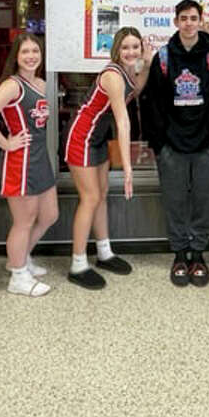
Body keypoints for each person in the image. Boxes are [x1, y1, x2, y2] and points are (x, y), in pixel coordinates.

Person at [143, 0, 209, 287]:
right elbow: (153, 103)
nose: (189, 23)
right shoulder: (164, 57)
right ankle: (180, 253)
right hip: (171, 145)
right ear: (176, 21)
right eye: (184, 18)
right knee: (175, 200)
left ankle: (199, 252)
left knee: (204, 200)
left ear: (201, 20)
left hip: (206, 144)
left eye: (194, 18)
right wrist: (159, 143)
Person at [63, 27, 150, 289]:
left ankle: (104, 253)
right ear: (116, 49)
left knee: (100, 196)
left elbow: (135, 90)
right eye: (126, 47)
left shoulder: (128, 72)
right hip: (81, 137)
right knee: (89, 198)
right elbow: (123, 122)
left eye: (135, 47)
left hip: (97, 137)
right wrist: (127, 168)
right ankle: (77, 265)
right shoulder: (113, 75)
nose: (131, 52)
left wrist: (145, 63)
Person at [0, 33, 59, 296]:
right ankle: (18, 276)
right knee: (24, 221)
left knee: (49, 215)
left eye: (36, 51)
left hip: (40, 157)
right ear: (16, 56)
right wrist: (5, 143)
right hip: (19, 161)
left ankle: (21, 258)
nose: (31, 56)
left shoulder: (43, 83)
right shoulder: (13, 85)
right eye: (25, 52)